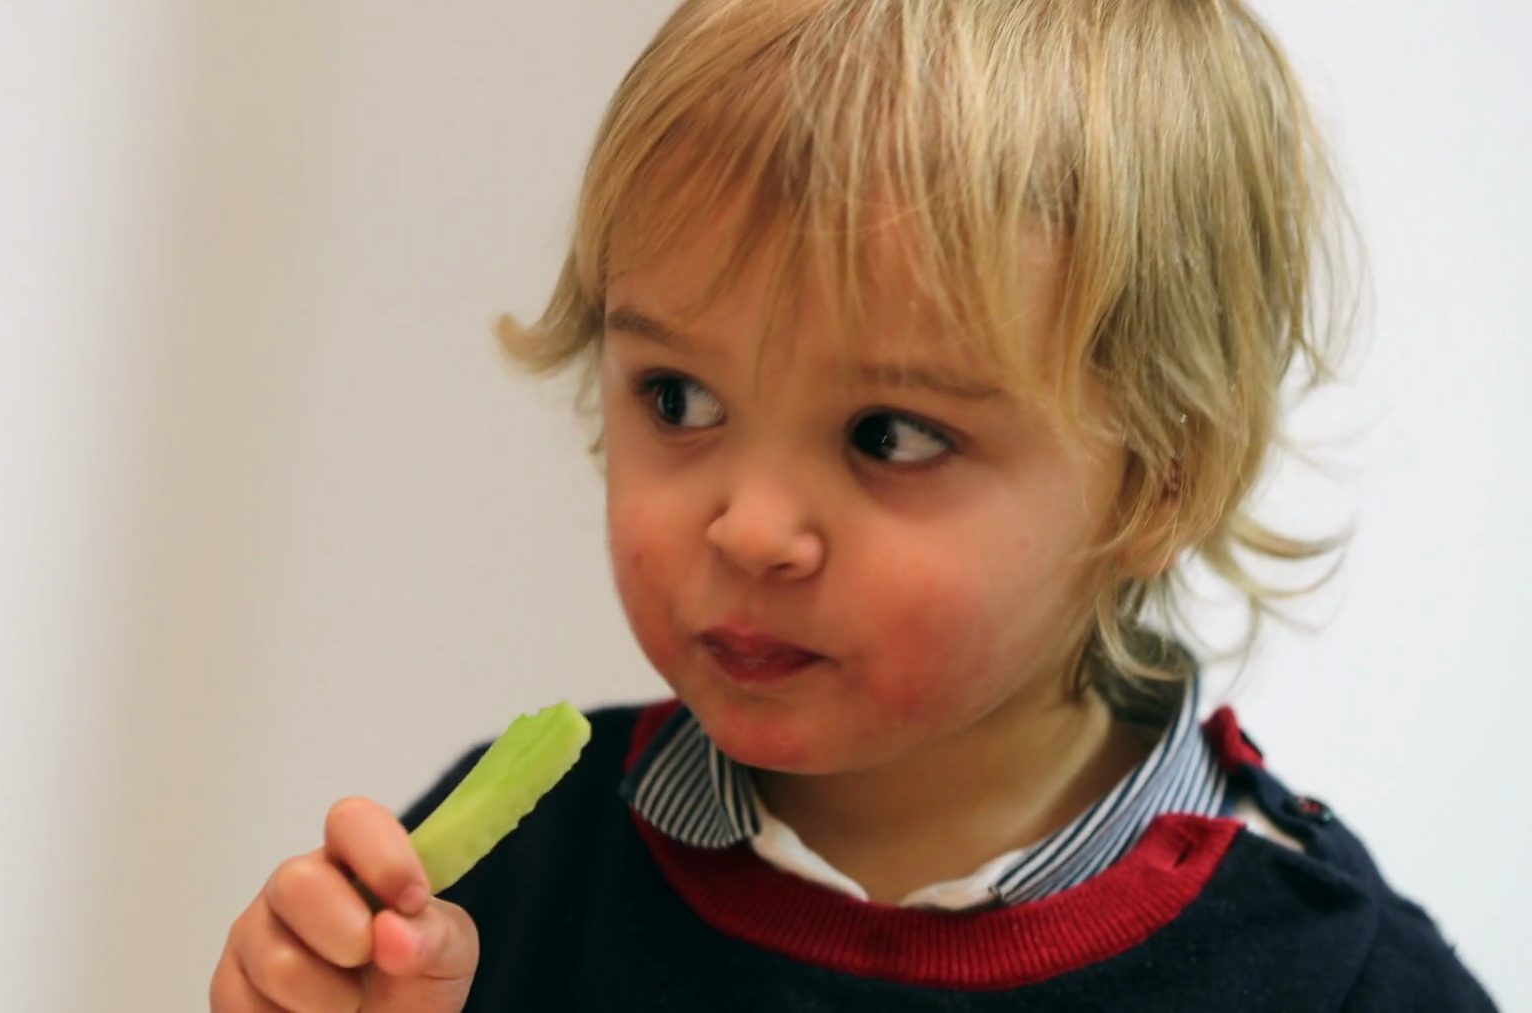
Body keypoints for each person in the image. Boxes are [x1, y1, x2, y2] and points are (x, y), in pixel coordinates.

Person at [210, 0, 1498, 1009]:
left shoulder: (1341, 983)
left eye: (890, 434)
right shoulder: (500, 901)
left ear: (1162, 480)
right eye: (680, 400)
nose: (751, 528)